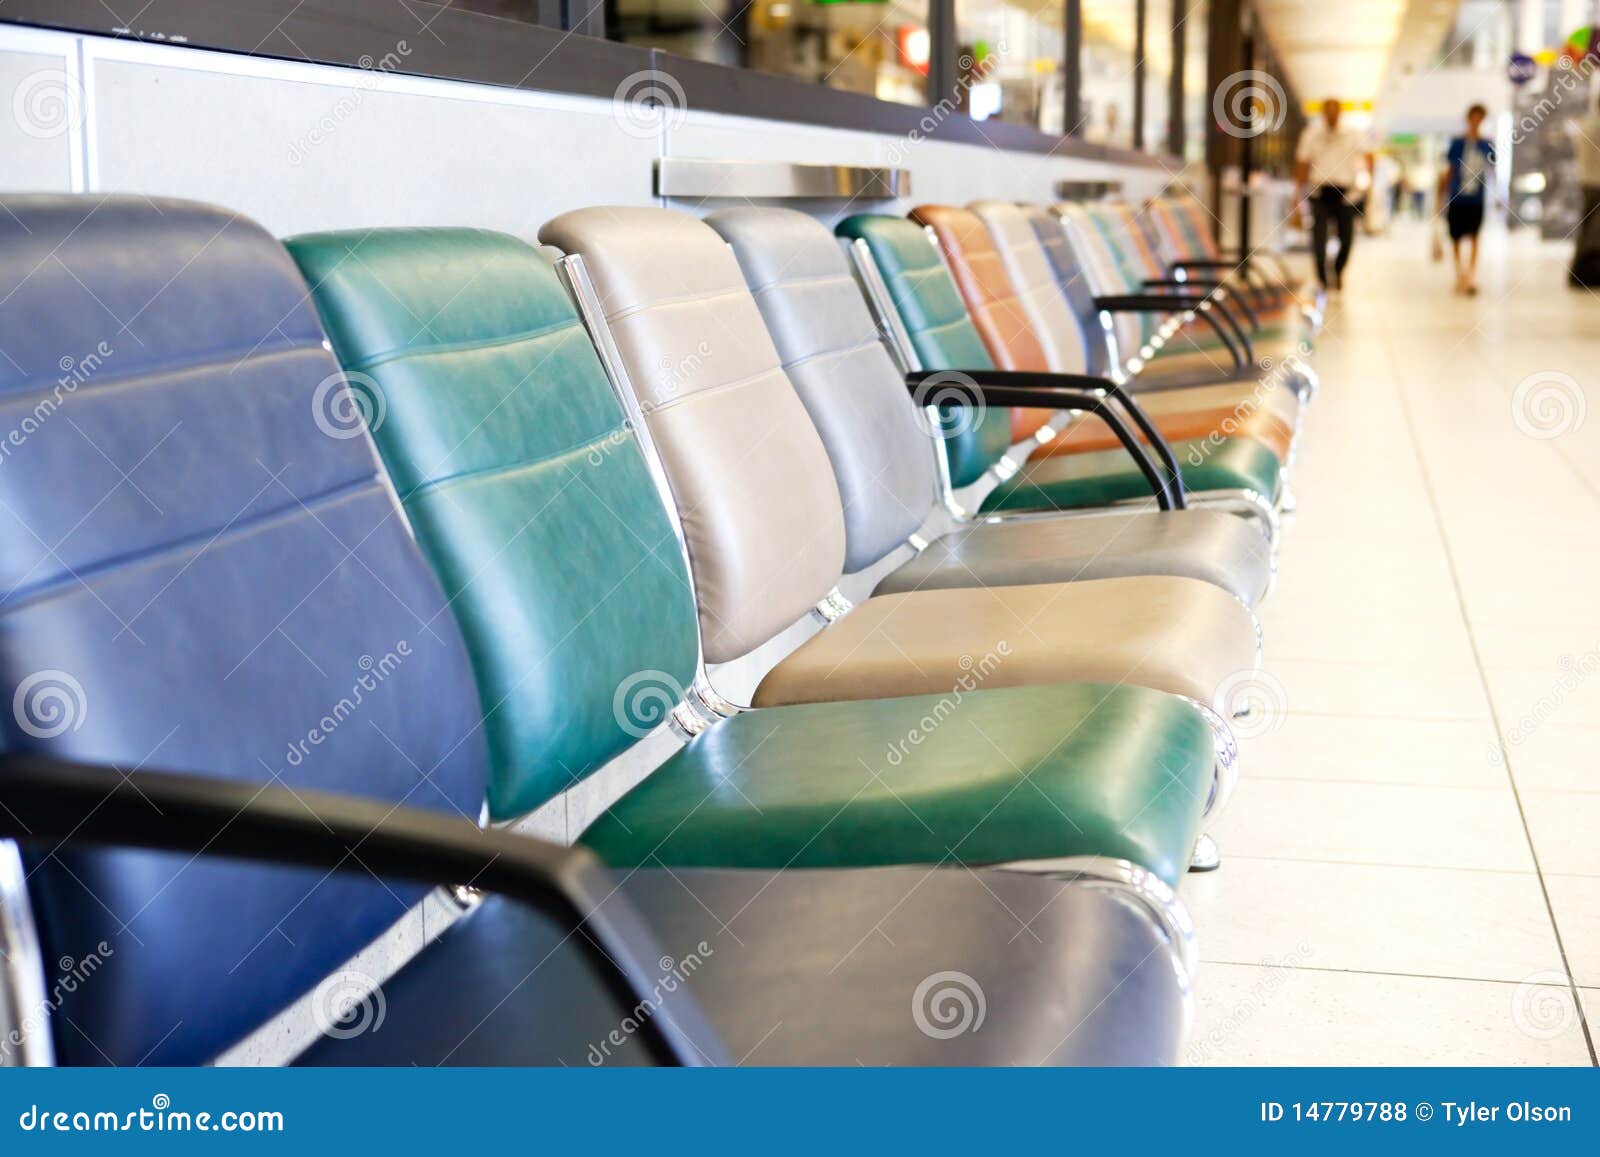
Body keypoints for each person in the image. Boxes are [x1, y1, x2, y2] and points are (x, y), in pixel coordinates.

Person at [1295, 98, 1372, 292]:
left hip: (1345, 193)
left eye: (1334, 111)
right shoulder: (1311, 134)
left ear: (1339, 113)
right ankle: (1322, 278)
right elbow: (1302, 163)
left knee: (1347, 237)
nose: (1331, 115)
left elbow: (1368, 157)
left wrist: (1367, 186)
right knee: (1318, 238)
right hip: (1319, 192)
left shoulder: (1352, 134)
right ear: (1322, 114)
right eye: (1327, 111)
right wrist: (1297, 193)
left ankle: (1338, 271)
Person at [1438, 103, 1496, 295]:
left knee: (1474, 237)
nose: (1476, 122)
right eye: (1474, 117)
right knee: (1455, 237)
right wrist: (1442, 195)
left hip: (1476, 199)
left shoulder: (1486, 144)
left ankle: (1470, 276)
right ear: (1468, 118)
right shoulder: (1457, 144)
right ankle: (1459, 273)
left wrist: (1497, 195)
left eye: (1480, 118)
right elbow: (1450, 170)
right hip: (1457, 197)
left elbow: (1491, 171)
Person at [1571, 94, 1600, 287]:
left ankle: (1578, 272)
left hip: (1586, 181)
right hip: (1598, 183)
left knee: (1586, 228)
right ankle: (1588, 273)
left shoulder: (1585, 125)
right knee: (1595, 233)